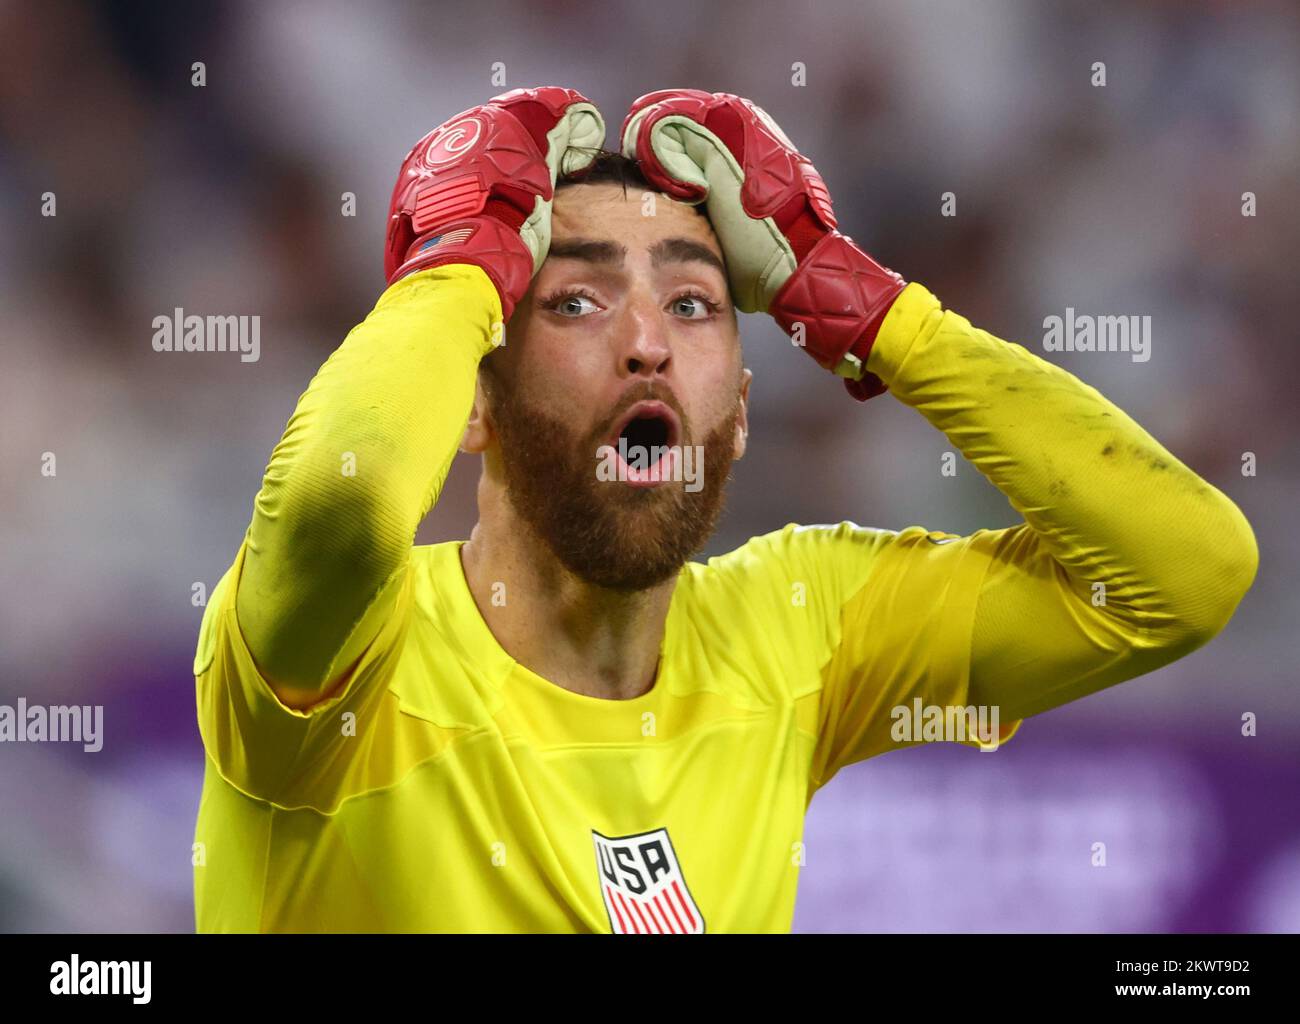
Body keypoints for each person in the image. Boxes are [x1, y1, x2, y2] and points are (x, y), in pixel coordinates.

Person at [191, 87, 1257, 933]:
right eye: (574, 299)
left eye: (693, 302)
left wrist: (876, 315)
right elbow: (344, 505)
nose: (647, 340)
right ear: (474, 401)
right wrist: (457, 270)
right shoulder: (346, 656)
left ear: (739, 414)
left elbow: (1182, 575)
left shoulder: (796, 628)